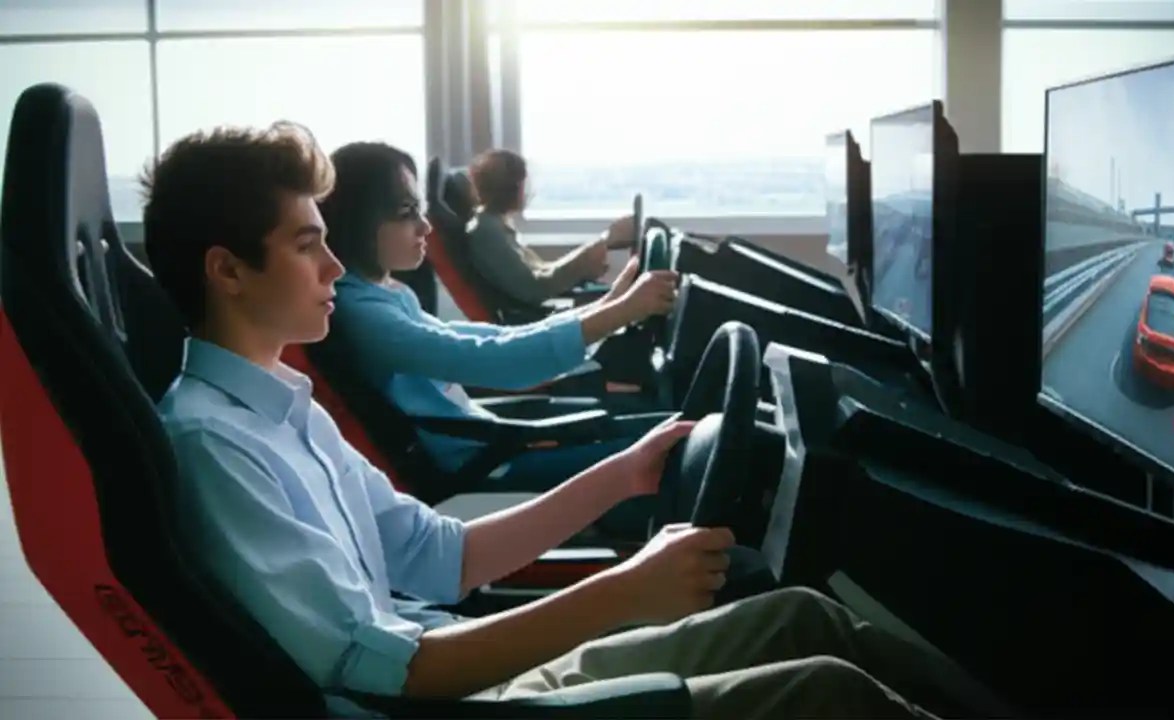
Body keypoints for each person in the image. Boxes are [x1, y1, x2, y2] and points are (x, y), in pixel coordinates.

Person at [143, 121, 990, 720]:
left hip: (462, 670)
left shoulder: (290, 412)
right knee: (823, 692)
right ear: (228, 270)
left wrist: (618, 477)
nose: (334, 264)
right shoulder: (215, 447)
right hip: (452, 704)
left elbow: (446, 555)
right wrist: (624, 591)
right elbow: (393, 674)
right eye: (305, 245)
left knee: (803, 617)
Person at [318, 142, 672, 536]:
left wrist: (610, 304)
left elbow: (492, 337)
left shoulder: (386, 294)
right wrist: (619, 312)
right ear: (359, 222)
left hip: (488, 442)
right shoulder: (363, 312)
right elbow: (493, 360)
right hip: (478, 463)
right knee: (670, 451)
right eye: (406, 213)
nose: (425, 226)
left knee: (670, 427)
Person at [466, 148, 634, 306]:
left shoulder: (495, 225)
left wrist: (586, 265)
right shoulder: (488, 233)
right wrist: (604, 241)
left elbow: (543, 270)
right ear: (513, 187)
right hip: (528, 320)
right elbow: (536, 287)